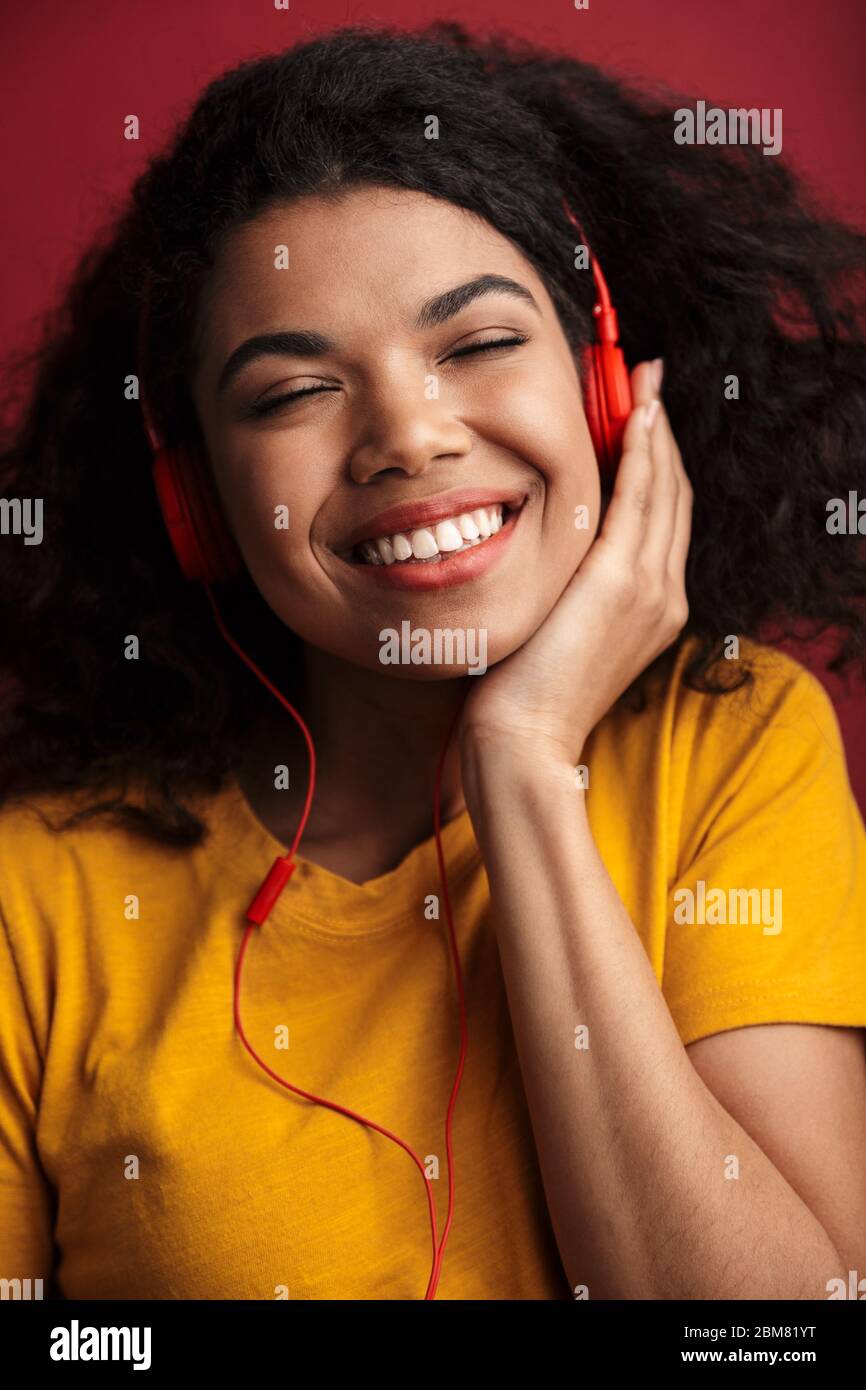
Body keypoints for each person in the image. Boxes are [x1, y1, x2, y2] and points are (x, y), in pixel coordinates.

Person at [1, 22, 865, 1302]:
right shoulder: (37, 895)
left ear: (604, 390)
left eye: (475, 345)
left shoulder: (732, 743)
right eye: (292, 392)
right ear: (195, 505)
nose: (407, 437)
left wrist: (518, 761)